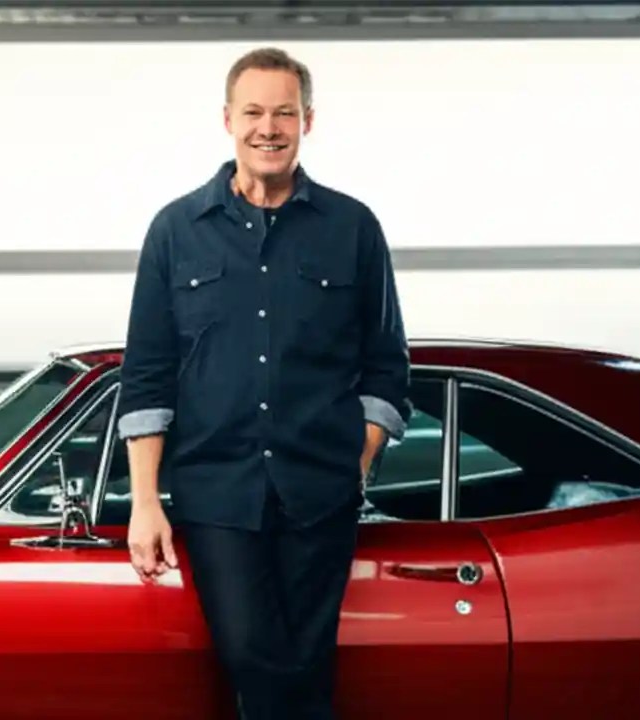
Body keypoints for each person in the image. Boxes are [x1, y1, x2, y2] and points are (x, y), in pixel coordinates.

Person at [115, 46, 411, 720]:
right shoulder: (175, 231)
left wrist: (357, 461)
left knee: (306, 663)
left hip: (322, 494)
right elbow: (148, 374)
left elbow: (387, 365)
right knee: (255, 654)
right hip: (216, 495)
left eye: (284, 113)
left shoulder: (353, 228)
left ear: (308, 120)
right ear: (228, 119)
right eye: (253, 113)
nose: (268, 128)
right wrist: (144, 503)